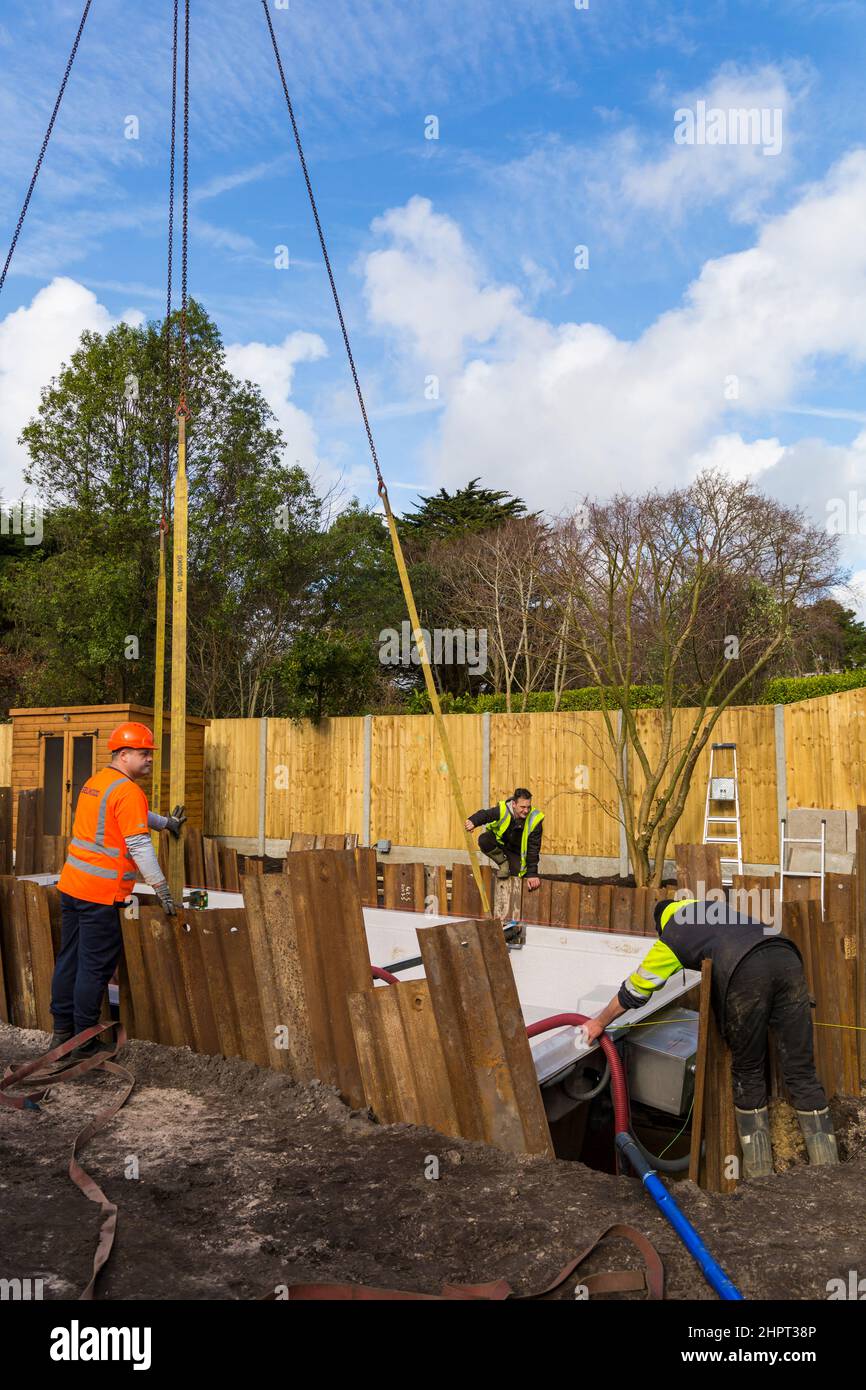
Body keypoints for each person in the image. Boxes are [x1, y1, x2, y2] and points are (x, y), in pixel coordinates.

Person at [582, 895, 838, 1175]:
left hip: (747, 970)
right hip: (786, 955)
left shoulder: (673, 935)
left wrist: (600, 1021)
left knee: (749, 1071)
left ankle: (761, 1177)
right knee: (801, 1071)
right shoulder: (713, 911)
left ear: (661, 924)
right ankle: (828, 1173)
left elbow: (636, 990)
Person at [48, 722, 186, 1060]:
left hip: (72, 886)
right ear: (123, 755)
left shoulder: (98, 783)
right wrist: (161, 887)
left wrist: (165, 823)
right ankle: (84, 1042)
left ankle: (61, 1034)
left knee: (68, 960)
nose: (150, 759)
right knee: (93, 968)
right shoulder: (127, 791)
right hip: (100, 894)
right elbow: (138, 843)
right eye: (144, 753)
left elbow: (130, 816)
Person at [465, 787, 543, 890]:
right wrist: (473, 821)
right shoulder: (503, 809)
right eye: (523, 807)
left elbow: (534, 848)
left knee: (518, 876)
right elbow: (486, 815)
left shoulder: (535, 820)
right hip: (501, 844)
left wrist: (532, 874)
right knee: (484, 840)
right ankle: (503, 863)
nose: (526, 810)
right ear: (514, 804)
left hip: (516, 852)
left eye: (528, 807)